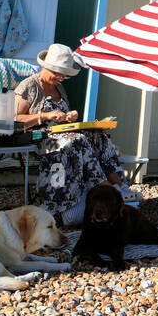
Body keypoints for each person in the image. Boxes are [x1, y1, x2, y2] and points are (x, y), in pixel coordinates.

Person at [14, 43, 128, 224]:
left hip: (62, 136)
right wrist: (44, 115)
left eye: (64, 74)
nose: (61, 77)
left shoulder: (59, 88)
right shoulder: (29, 86)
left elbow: (61, 120)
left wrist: (69, 116)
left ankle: (118, 183)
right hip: (39, 139)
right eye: (58, 73)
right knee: (78, 140)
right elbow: (15, 120)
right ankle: (103, 187)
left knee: (100, 137)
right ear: (47, 66)